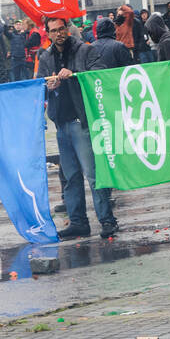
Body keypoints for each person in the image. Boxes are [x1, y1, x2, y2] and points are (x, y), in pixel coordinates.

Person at [38, 16, 119, 239]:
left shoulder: (85, 50)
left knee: (92, 174)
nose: (58, 33)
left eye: (61, 29)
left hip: (81, 120)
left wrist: (74, 75)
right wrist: (48, 85)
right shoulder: (45, 56)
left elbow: (99, 76)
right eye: (53, 31)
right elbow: (39, 85)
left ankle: (107, 220)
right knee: (71, 176)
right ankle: (78, 222)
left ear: (67, 29)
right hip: (61, 122)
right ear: (48, 33)